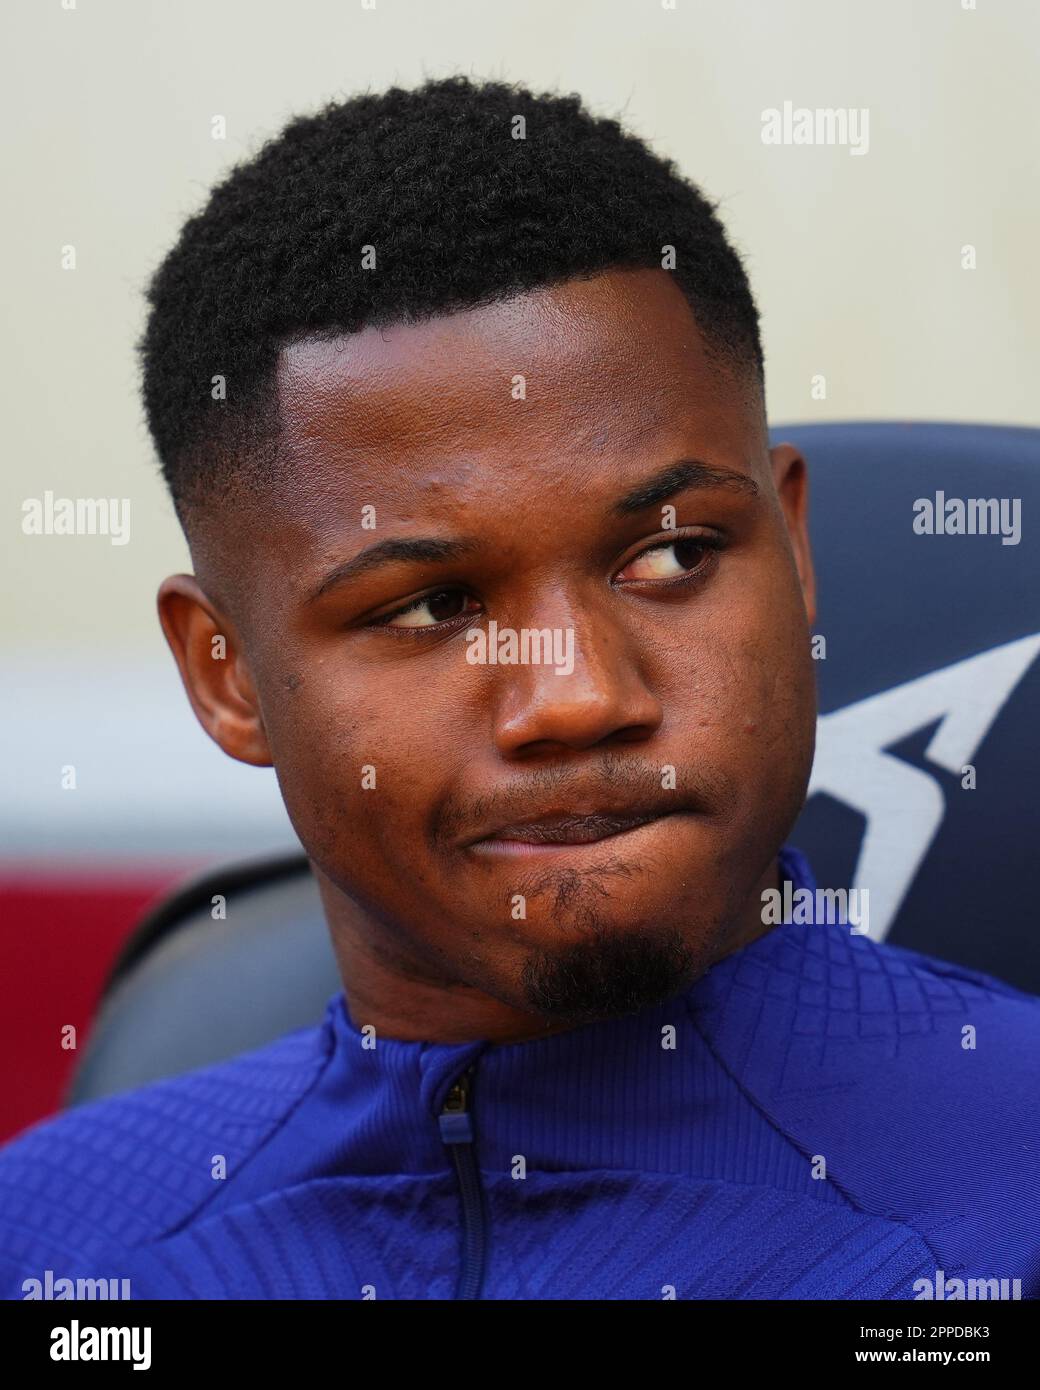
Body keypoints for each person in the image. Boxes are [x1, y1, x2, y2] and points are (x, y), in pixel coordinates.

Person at [2, 75, 1038, 1301]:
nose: (577, 697)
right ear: (225, 679)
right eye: (433, 607)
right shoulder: (57, 1244)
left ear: (794, 549)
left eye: (669, 557)